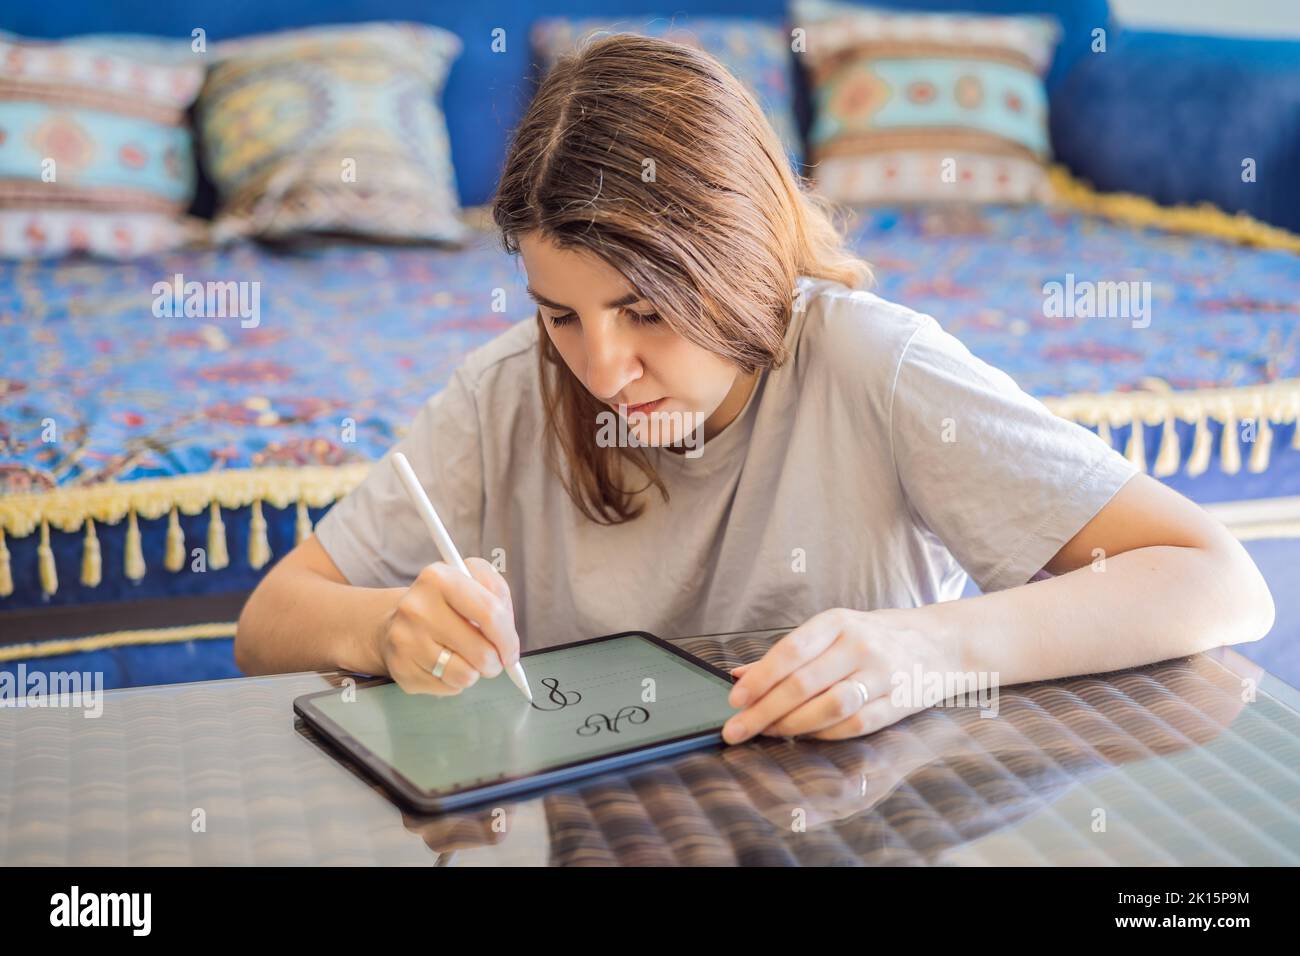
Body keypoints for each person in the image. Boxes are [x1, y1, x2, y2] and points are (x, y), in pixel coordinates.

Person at [235, 34, 1274, 745]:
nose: (599, 368)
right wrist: (384, 630)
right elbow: (268, 619)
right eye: (560, 313)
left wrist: (934, 644)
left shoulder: (876, 363)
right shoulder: (508, 390)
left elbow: (1216, 578)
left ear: (740, 264)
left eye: (644, 312)